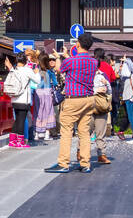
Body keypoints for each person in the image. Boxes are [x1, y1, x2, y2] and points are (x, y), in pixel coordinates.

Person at [45, 32, 98, 173]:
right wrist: (67, 56)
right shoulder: (94, 62)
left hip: (73, 99)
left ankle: (63, 163)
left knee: (66, 131)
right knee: (84, 132)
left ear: (78, 44)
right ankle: (85, 163)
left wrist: (58, 57)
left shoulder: (70, 61)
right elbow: (76, 64)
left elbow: (59, 69)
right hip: (88, 98)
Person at [2, 53, 36, 148]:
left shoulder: (14, 70)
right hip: (23, 99)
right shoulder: (27, 70)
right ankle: (20, 142)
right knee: (21, 120)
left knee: (17, 120)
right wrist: (36, 72)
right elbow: (37, 80)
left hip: (14, 98)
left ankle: (12, 141)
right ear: (25, 61)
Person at [86, 68, 113, 166]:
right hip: (89, 106)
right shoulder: (85, 75)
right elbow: (83, 90)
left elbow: (109, 92)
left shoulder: (103, 75)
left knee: (101, 133)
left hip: (102, 107)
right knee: (85, 131)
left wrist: (107, 84)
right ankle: (81, 153)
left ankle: (102, 154)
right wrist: (96, 90)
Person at [32, 53, 58, 143]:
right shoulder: (50, 71)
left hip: (38, 93)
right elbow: (55, 83)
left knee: (38, 112)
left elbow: (36, 83)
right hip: (47, 93)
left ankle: (36, 134)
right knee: (48, 112)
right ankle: (47, 134)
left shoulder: (36, 70)